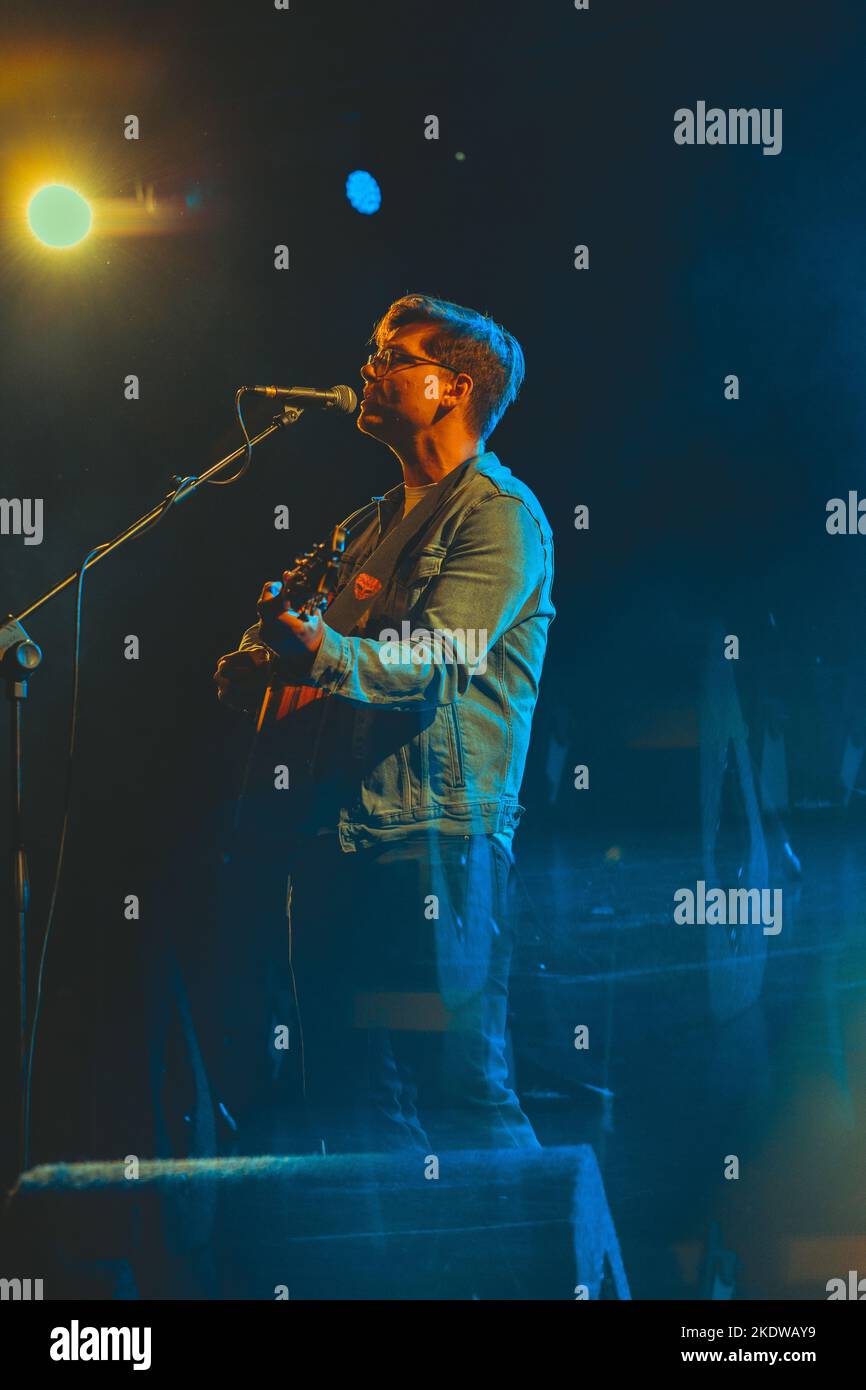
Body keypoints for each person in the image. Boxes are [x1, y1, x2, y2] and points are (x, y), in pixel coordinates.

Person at [214, 293, 555, 1154]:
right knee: (352, 1108)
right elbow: (308, 667)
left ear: (453, 388)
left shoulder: (498, 515)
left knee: (463, 1101)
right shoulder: (361, 529)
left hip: (436, 840)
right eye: (375, 350)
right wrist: (261, 658)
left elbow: (436, 660)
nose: (370, 366)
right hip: (331, 839)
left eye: (394, 355)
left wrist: (318, 648)